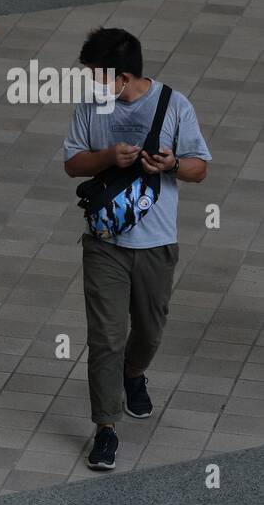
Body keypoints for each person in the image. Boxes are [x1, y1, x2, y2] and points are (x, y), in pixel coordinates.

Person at [63, 27, 210, 471]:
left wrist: (173, 165)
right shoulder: (91, 108)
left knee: (149, 329)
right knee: (105, 337)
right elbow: (72, 163)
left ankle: (134, 374)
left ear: (123, 77)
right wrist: (109, 156)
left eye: (97, 75)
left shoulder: (174, 106)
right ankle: (105, 429)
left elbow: (200, 169)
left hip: (157, 245)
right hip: (105, 243)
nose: (91, 83)